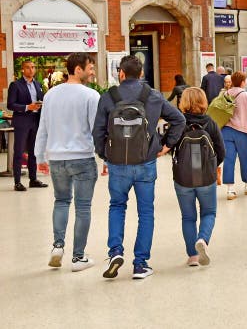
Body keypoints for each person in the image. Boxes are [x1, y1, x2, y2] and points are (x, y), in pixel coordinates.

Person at [93, 55, 185, 280]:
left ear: (121, 73)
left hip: (118, 163)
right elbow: (179, 119)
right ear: (142, 73)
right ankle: (140, 264)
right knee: (146, 212)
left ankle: (115, 251)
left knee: (117, 206)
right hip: (145, 161)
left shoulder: (108, 97)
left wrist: (106, 154)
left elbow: (97, 132)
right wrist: (165, 146)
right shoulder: (152, 95)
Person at [34, 53, 99, 272]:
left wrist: (39, 156)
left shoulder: (51, 95)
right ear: (78, 69)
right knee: (83, 207)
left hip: (57, 159)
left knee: (61, 201)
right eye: (90, 67)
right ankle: (78, 258)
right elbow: (95, 130)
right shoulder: (90, 96)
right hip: (82, 158)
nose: (92, 71)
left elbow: (43, 126)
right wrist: (105, 156)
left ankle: (57, 246)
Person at [173, 87, 225, 267]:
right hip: (206, 177)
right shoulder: (210, 123)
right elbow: (221, 151)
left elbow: (168, 145)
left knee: (188, 217)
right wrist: (211, 165)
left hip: (183, 177)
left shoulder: (179, 123)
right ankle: (203, 239)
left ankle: (193, 256)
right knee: (209, 212)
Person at [8, 59, 47, 191]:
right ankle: (17, 182)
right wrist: (27, 107)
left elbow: (41, 100)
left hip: (35, 121)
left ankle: (33, 179)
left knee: (33, 152)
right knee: (18, 152)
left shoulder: (38, 84)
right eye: (28, 67)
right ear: (22, 70)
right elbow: (10, 104)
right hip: (22, 121)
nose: (31, 70)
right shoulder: (15, 85)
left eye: (33, 67)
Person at [221, 72, 247, 200]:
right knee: (244, 159)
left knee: (229, 159)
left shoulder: (225, 94)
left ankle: (230, 190)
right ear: (242, 82)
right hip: (243, 132)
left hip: (226, 130)